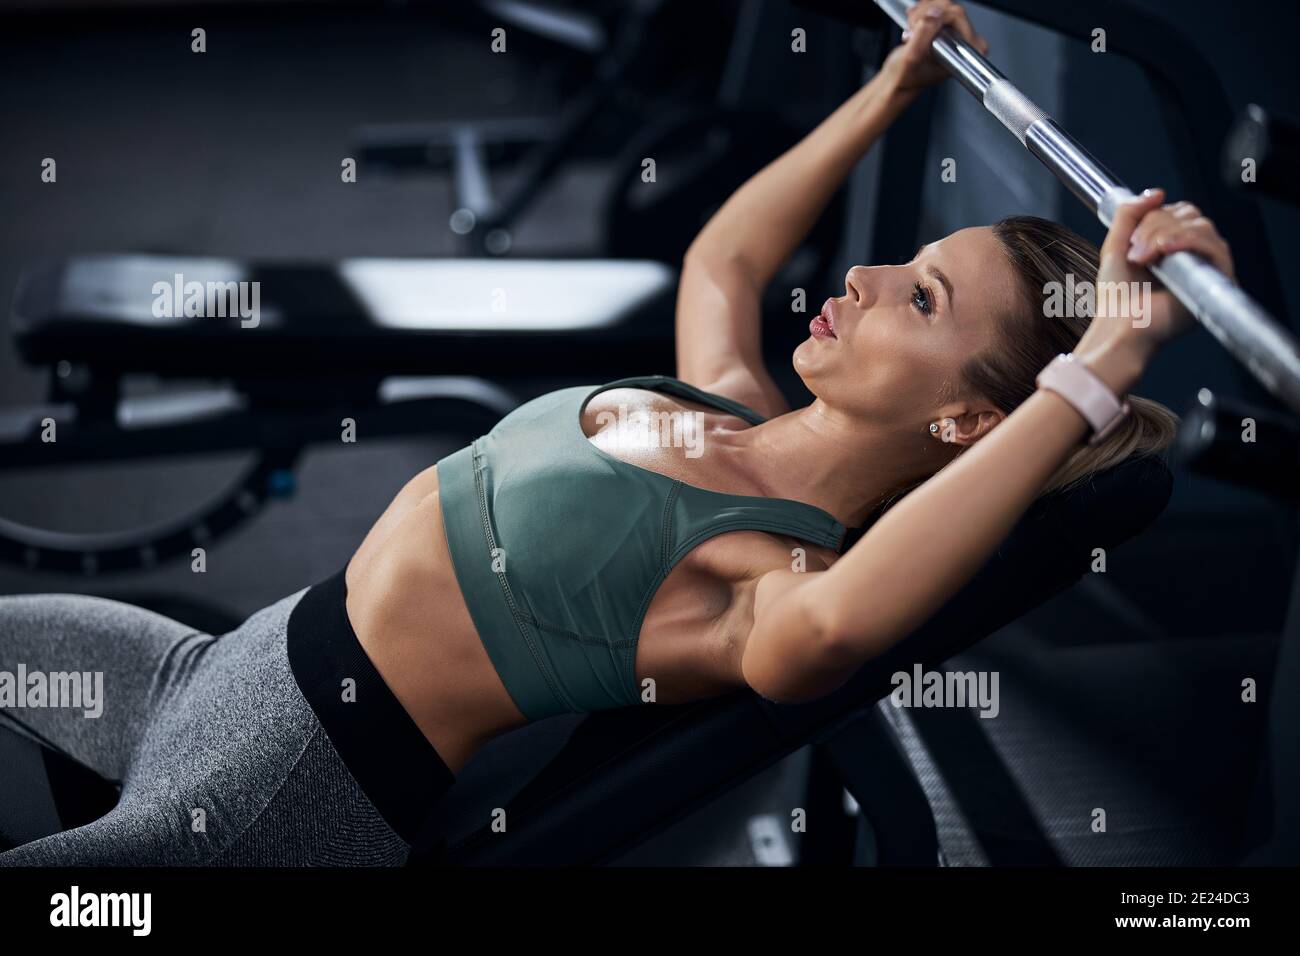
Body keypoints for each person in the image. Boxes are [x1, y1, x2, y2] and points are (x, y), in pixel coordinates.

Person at [0, 0, 1235, 866]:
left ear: (967, 417)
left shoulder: (765, 576)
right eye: (902, 261)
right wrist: (892, 85)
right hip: (202, 675)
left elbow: (842, 626)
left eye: (919, 296)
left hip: (274, 800)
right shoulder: (730, 409)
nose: (859, 273)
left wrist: (1098, 366)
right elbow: (722, 258)